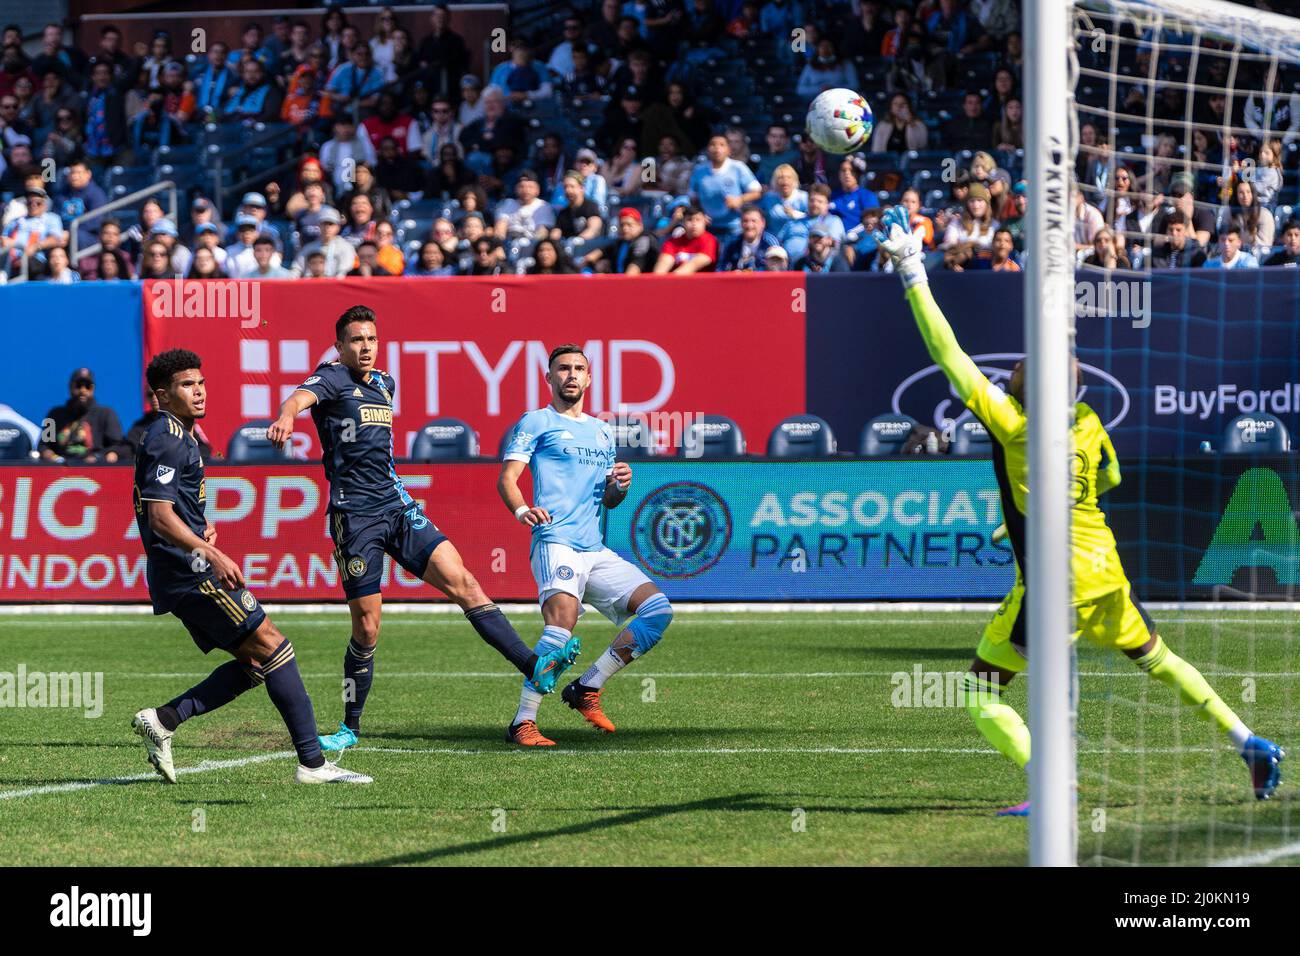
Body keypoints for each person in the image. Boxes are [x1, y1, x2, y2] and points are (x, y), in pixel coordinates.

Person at [872, 204, 1285, 813]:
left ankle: (1051, 787)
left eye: (1018, 373)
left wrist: (912, 271)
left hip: (1051, 582)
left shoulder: (1013, 426)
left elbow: (950, 356)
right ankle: (1248, 741)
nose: (1015, 372)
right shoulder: (1089, 423)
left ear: (1020, 392)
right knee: (1158, 658)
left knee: (980, 692)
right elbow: (1109, 477)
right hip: (1104, 568)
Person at [267, 307, 582, 753]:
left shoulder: (384, 384)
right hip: (355, 518)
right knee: (368, 628)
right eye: (356, 340)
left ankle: (533, 666)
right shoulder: (332, 378)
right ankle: (349, 727)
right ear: (339, 347)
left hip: (398, 506)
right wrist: (287, 417)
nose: (365, 347)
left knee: (466, 584)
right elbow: (298, 399)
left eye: (371, 339)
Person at [129, 349, 370, 785]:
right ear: (161, 396)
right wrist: (213, 553)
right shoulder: (166, 435)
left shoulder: (181, 434)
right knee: (276, 648)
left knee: (255, 663)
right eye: (187, 385)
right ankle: (313, 764)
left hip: (183, 568)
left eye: (201, 382)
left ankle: (165, 719)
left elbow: (172, 507)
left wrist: (203, 527)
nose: (199, 391)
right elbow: (159, 517)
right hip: (191, 572)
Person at [497, 345, 673, 745]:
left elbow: (608, 501)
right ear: (549, 378)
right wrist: (523, 510)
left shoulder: (601, 430)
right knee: (562, 622)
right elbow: (507, 478)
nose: (572, 375)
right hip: (556, 540)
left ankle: (587, 687)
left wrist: (619, 487)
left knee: (657, 611)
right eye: (563, 368)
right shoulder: (537, 421)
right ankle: (522, 722)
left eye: (579, 368)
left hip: (593, 547)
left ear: (589, 378)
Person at [39, 367, 130, 464]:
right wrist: (50, 456)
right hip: (62, 472)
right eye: (78, 386)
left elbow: (118, 447)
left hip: (95, 471)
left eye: (87, 386)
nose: (83, 390)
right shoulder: (54, 415)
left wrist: (102, 457)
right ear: (70, 387)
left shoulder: (107, 414)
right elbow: (43, 446)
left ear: (93, 389)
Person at [690, 134, 761, 238]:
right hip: (707, 226)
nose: (717, 148)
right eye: (713, 145)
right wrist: (700, 214)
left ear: (729, 150)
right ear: (708, 150)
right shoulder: (699, 170)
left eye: (722, 145)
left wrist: (739, 200)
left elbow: (757, 192)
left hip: (734, 226)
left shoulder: (738, 167)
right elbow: (693, 198)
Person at [584, 207, 658, 274]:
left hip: (639, 285)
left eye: (629, 225)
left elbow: (634, 269)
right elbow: (592, 256)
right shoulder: (621, 242)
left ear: (640, 226)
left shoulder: (644, 240)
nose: (625, 228)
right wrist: (596, 264)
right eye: (622, 225)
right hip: (620, 282)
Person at [653, 205, 718, 273]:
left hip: (703, 282)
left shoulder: (710, 240)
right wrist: (658, 281)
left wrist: (672, 279)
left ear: (705, 222)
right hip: (676, 281)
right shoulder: (672, 242)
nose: (694, 224)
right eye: (689, 219)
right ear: (683, 222)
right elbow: (664, 263)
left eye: (698, 220)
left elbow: (696, 263)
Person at [718, 205, 781, 271]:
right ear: (741, 223)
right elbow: (721, 267)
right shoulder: (731, 243)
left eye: (753, 221)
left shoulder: (771, 242)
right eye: (745, 221)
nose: (749, 225)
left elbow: (779, 269)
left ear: (763, 223)